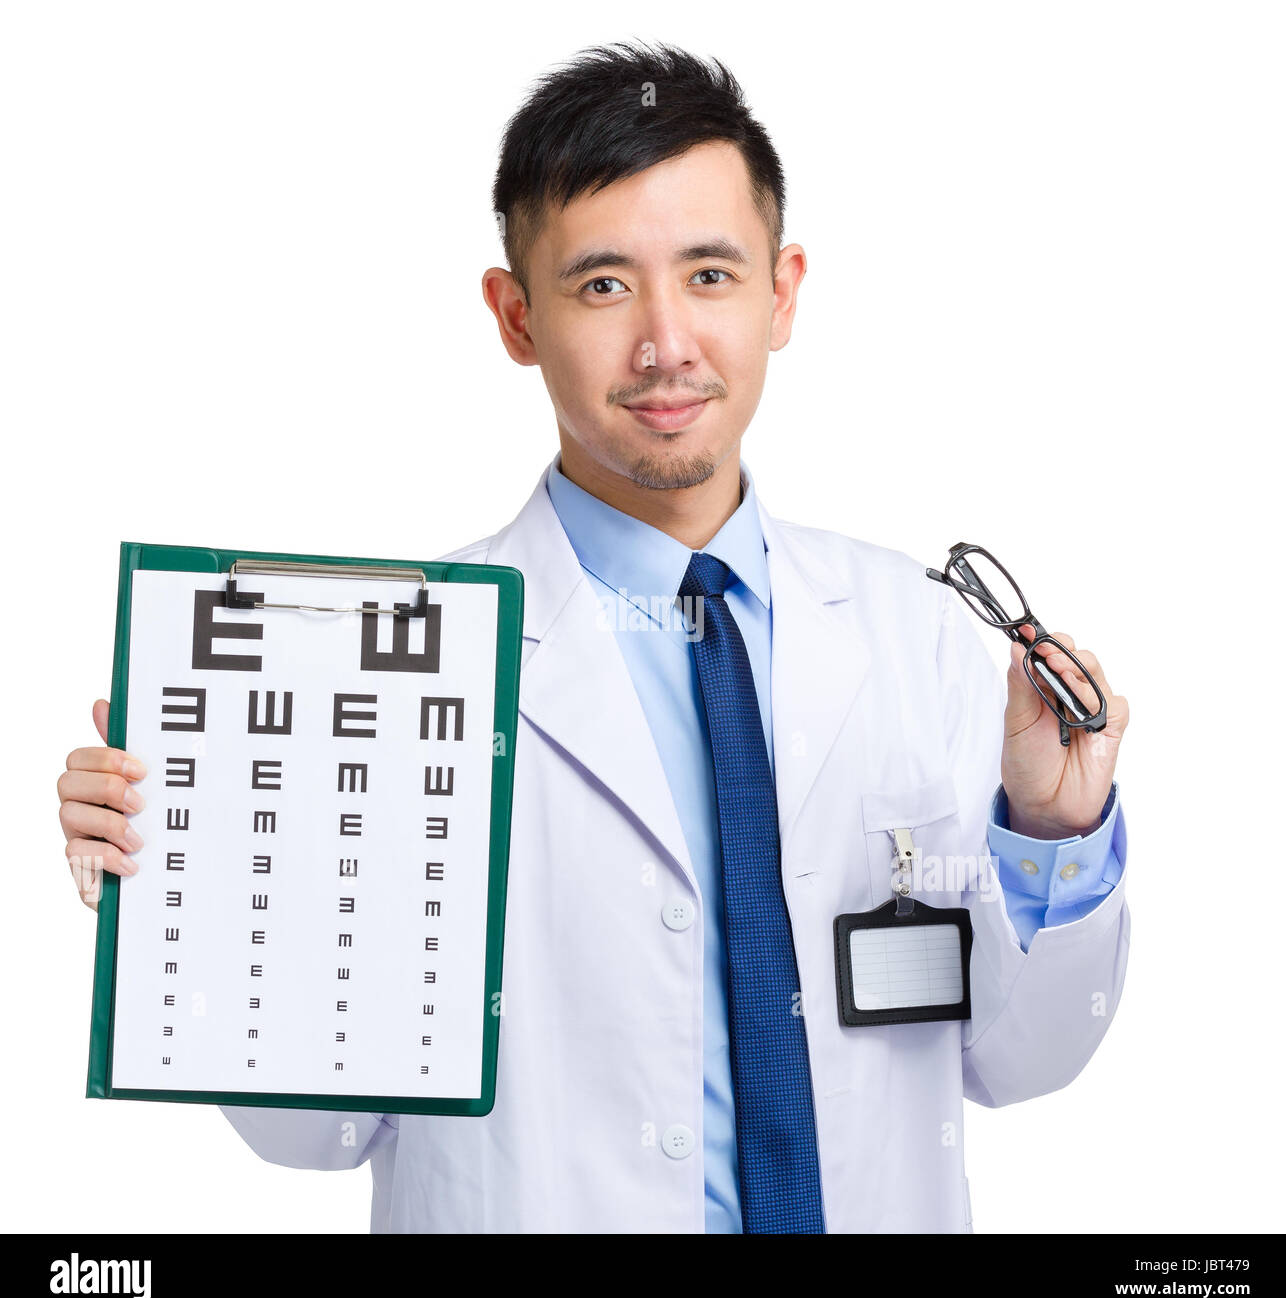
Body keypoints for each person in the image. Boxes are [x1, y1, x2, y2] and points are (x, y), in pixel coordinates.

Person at [57, 40, 1131, 1234]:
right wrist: (188, 882)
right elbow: (319, 1135)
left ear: (783, 295)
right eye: (604, 285)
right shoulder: (378, 667)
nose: (666, 344)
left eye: (711, 277)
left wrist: (1050, 829)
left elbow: (1025, 1062)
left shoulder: (915, 636)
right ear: (515, 315)